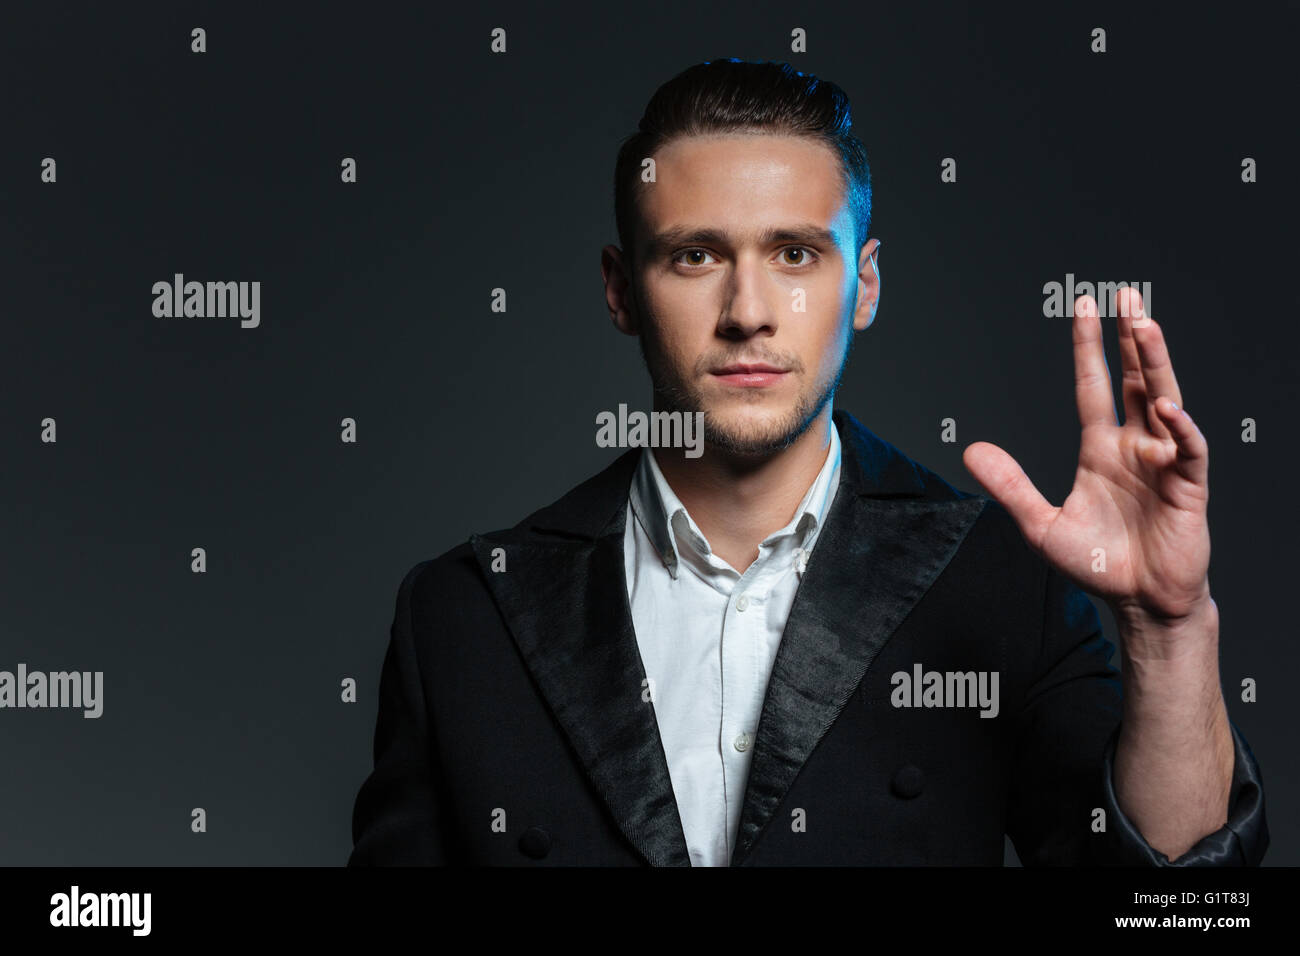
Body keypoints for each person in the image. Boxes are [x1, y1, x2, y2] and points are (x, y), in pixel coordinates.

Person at [348, 58, 1266, 866]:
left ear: (861, 285)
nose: (748, 310)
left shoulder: (1002, 587)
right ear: (622, 290)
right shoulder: (466, 616)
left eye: (794, 253)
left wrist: (1168, 630)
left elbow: (1172, 909)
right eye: (696, 255)